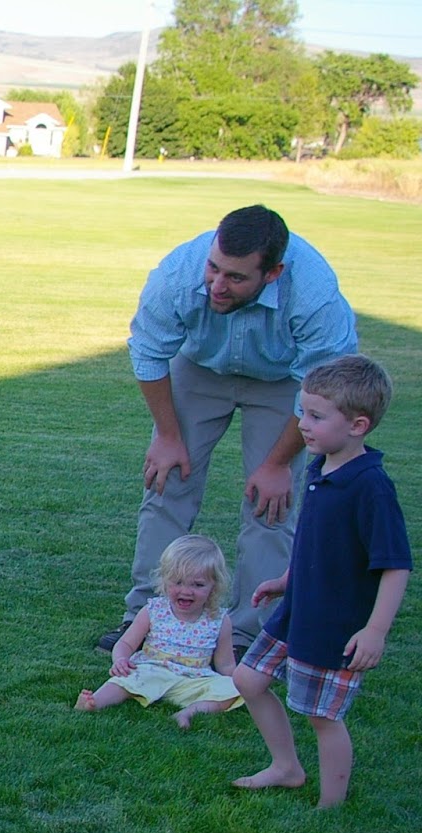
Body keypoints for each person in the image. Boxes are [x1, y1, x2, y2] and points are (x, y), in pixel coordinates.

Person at [98, 204, 358, 654]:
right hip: (198, 368)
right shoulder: (179, 272)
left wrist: (277, 464)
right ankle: (144, 617)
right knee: (166, 484)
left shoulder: (314, 292)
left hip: (285, 382)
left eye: (235, 278)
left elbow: (323, 384)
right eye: (214, 268)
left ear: (273, 273)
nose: (217, 285)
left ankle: (244, 634)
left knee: (271, 504)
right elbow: (149, 352)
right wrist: (167, 435)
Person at [232, 354, 410, 808]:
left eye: (315, 415)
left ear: (358, 425)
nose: (302, 424)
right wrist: (287, 579)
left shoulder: (370, 486)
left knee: (322, 716)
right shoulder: (319, 467)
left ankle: (330, 805)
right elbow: (317, 542)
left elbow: (395, 565)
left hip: (335, 624)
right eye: (301, 411)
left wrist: (375, 630)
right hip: (298, 609)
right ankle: (286, 767)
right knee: (248, 680)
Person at [76, 534, 242, 729]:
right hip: (151, 669)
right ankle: (93, 702)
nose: (186, 591)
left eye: (198, 585)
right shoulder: (154, 610)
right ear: (164, 580)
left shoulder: (219, 620)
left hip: (194, 679)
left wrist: (241, 680)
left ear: (214, 587)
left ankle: (189, 712)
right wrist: (120, 660)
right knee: (126, 679)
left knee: (233, 689)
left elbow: (226, 664)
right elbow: (126, 643)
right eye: (178, 582)